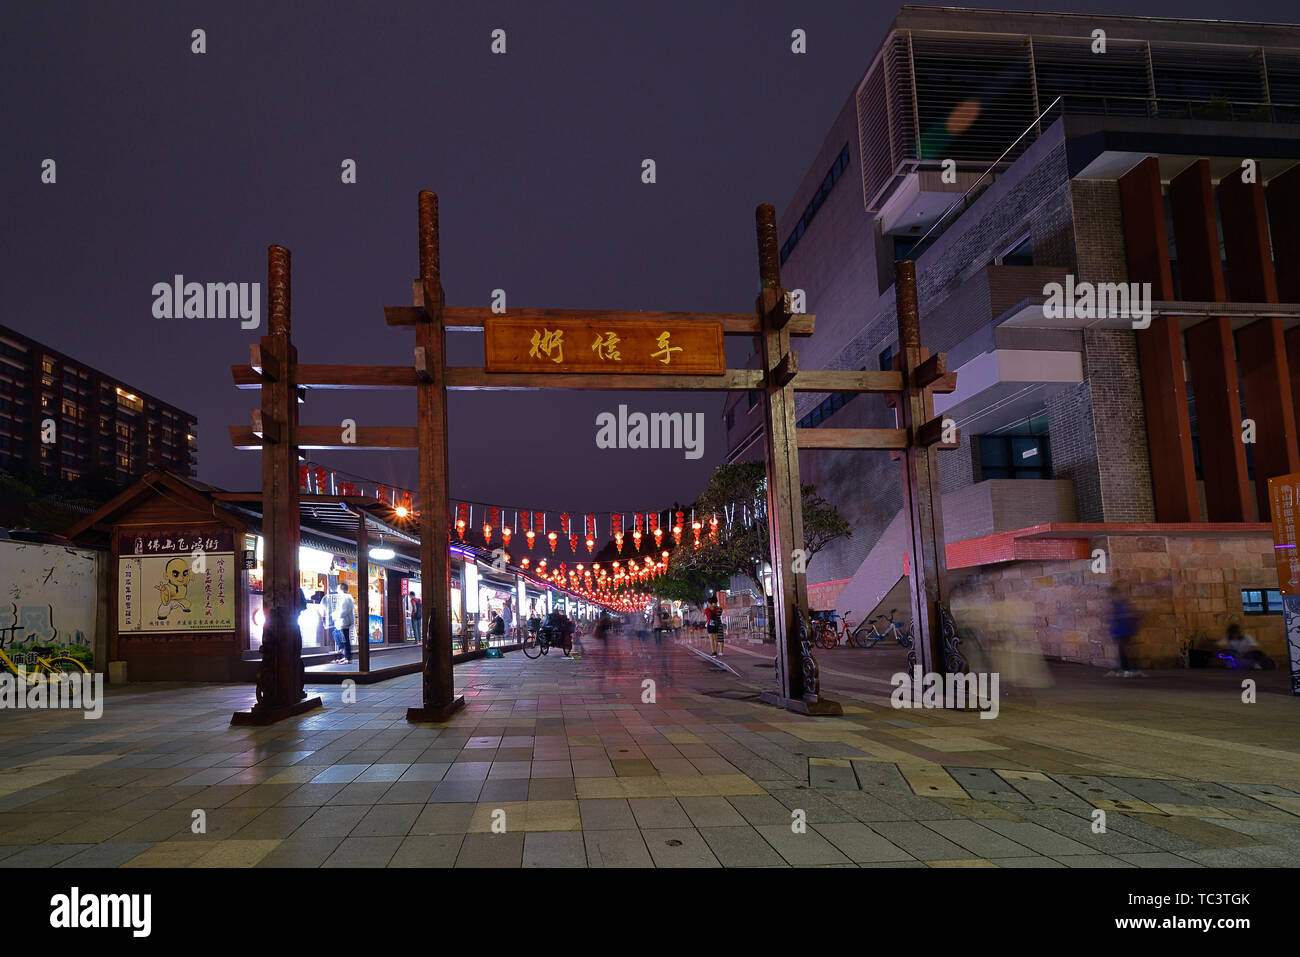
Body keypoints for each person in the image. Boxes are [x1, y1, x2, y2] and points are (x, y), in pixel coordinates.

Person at [1106, 588, 1142, 678]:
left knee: (1123, 650)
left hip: (1123, 631)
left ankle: (1125, 669)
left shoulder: (1121, 604)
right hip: (1121, 631)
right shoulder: (1119, 604)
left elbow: (1125, 617)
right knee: (1122, 650)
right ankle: (1121, 669)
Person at [332, 582, 355, 664]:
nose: (337, 589)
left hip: (344, 621)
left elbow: (344, 610)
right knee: (339, 636)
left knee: (344, 639)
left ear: (341, 588)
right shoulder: (345, 597)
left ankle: (347, 658)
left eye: (338, 587)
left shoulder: (346, 597)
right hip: (342, 621)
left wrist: (336, 616)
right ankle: (345, 656)